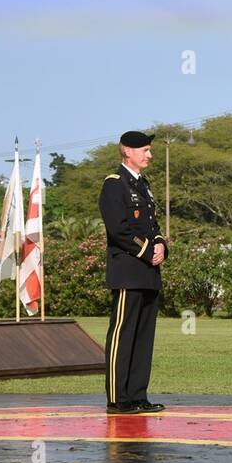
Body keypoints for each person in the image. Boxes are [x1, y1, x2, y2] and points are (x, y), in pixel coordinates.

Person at [98, 131, 168, 413]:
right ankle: (118, 398)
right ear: (128, 151)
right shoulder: (115, 185)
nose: (149, 155)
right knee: (123, 334)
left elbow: (153, 226)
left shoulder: (143, 185)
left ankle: (138, 395)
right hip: (128, 269)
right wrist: (147, 250)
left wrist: (161, 244)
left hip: (148, 273)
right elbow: (118, 230)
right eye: (145, 150)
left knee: (143, 336)